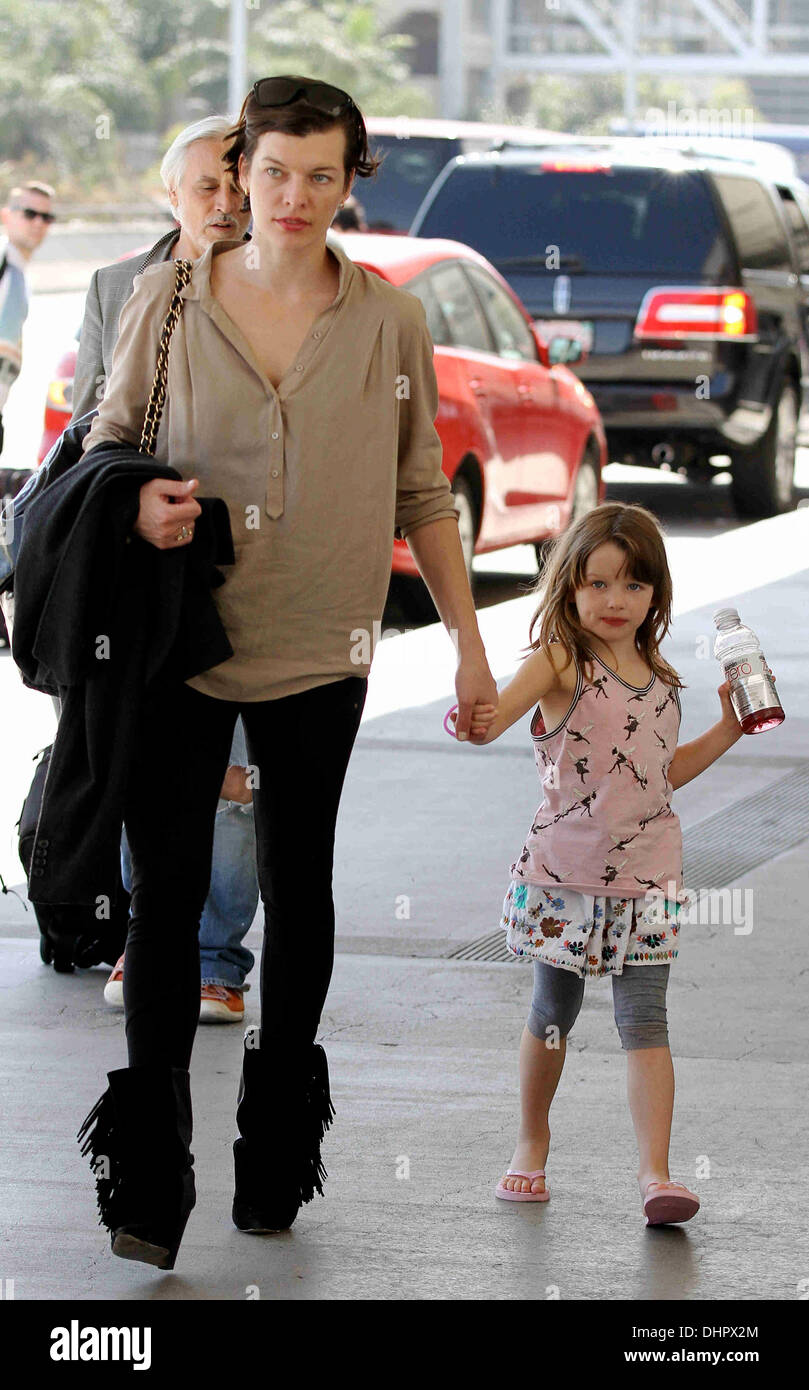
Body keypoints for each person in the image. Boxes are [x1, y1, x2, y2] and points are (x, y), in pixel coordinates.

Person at [75, 73, 498, 1268]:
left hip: (324, 639)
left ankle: (272, 1162)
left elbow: (421, 490)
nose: (294, 196)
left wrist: (470, 641)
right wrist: (143, 505)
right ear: (239, 172)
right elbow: (106, 444)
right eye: (273, 172)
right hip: (181, 641)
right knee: (163, 899)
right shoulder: (163, 298)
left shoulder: (387, 320)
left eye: (322, 174)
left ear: (349, 180)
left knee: (297, 883)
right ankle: (150, 1185)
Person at [455, 502, 744, 1227]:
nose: (615, 601)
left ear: (656, 596)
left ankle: (656, 1175)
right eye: (597, 584)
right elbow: (494, 718)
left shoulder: (659, 672)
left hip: (649, 877)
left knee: (645, 1019)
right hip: (564, 879)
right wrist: (473, 715)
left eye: (634, 586)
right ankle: (530, 1145)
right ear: (569, 588)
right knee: (554, 1011)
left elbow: (661, 773)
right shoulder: (560, 659)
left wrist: (729, 729)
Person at [69, 117, 257, 1023]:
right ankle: (147, 939)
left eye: (238, 187)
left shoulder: (283, 286)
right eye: (206, 189)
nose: (226, 206)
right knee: (141, 760)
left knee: (233, 778)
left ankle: (216, 958)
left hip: (252, 557)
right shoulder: (119, 287)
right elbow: (86, 429)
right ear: (172, 196)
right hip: (145, 562)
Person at [0, 181, 55, 457]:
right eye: (29, 213)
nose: (38, 223)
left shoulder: (19, 275)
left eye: (46, 217)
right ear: (6, 215)